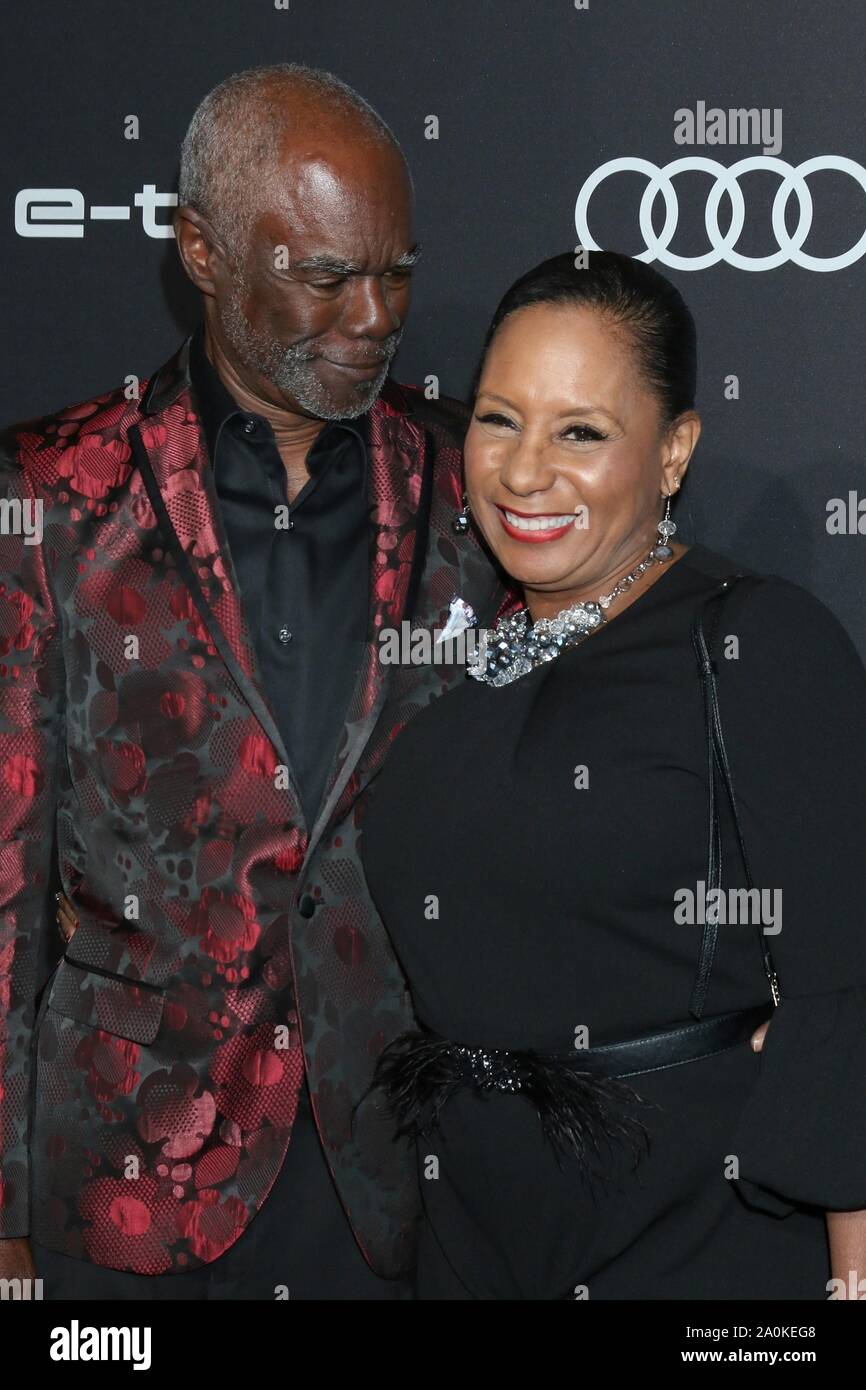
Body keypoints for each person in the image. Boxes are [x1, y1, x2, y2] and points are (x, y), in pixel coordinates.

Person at [0, 63, 511, 1299]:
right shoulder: (53, 496)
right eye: (324, 275)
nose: (374, 314)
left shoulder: (473, 484)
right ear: (203, 251)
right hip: (127, 1179)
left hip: (397, 1174)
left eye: (393, 270)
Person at [357, 250, 866, 1300]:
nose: (524, 470)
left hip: (691, 1230)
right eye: (498, 420)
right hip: (468, 1232)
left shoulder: (754, 639)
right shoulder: (454, 653)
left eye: (580, 431)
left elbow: (844, 994)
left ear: (673, 451)